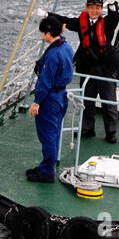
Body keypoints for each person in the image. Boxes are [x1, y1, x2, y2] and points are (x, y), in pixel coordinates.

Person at [59, 0, 119, 144]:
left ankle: (111, 133)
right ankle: (87, 129)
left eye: (98, 7)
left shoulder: (107, 23)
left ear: (101, 10)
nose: (94, 10)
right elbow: (64, 20)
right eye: (91, 7)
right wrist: (47, 15)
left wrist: (112, 3)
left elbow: (114, 17)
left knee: (109, 102)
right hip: (88, 68)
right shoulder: (81, 23)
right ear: (87, 8)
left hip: (106, 69)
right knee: (87, 101)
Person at [27, 14, 74, 182]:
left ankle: (47, 172)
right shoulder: (67, 47)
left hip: (50, 99)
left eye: (43, 32)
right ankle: (46, 165)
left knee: (47, 136)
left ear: (48, 32)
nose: (42, 36)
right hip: (62, 96)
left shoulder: (53, 55)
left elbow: (45, 81)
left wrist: (36, 102)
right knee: (55, 134)